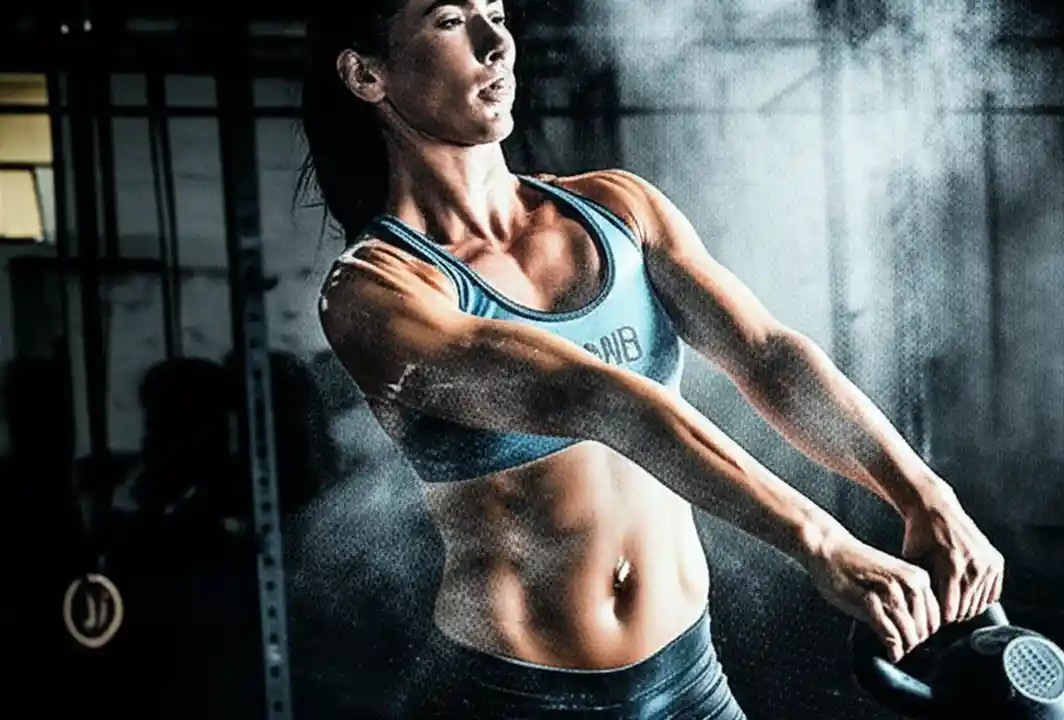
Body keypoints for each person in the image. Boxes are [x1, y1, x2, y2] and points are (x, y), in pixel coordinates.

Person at [302, 2, 1005, 717]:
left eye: (498, 14)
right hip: (518, 697)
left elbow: (767, 355)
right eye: (451, 22)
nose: (496, 45)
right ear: (366, 75)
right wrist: (819, 541)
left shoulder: (617, 206)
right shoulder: (373, 293)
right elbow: (601, 401)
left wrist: (926, 497)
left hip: (690, 679)